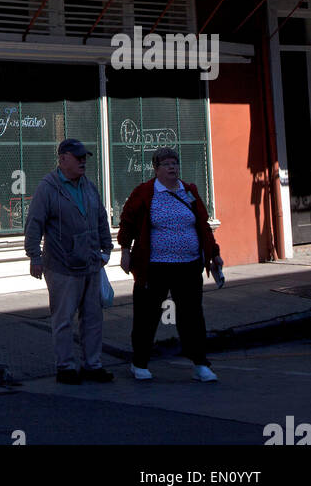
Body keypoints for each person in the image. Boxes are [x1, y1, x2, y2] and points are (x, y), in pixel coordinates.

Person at [118, 148, 223, 382]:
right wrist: (125, 250)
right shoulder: (145, 192)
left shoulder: (189, 191)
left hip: (188, 265)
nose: (172, 167)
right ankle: (140, 363)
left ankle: (200, 364)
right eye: (166, 164)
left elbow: (203, 225)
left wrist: (214, 254)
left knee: (192, 316)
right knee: (147, 315)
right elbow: (127, 221)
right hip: (154, 266)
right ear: (156, 169)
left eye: (175, 163)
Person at [24, 138, 114, 384]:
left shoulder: (88, 186)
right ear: (63, 159)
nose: (83, 161)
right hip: (62, 266)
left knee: (93, 318)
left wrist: (106, 247)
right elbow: (34, 223)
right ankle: (65, 367)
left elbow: (100, 218)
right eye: (78, 157)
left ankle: (92, 365)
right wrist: (34, 256)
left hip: (91, 263)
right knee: (63, 318)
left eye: (84, 156)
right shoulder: (48, 187)